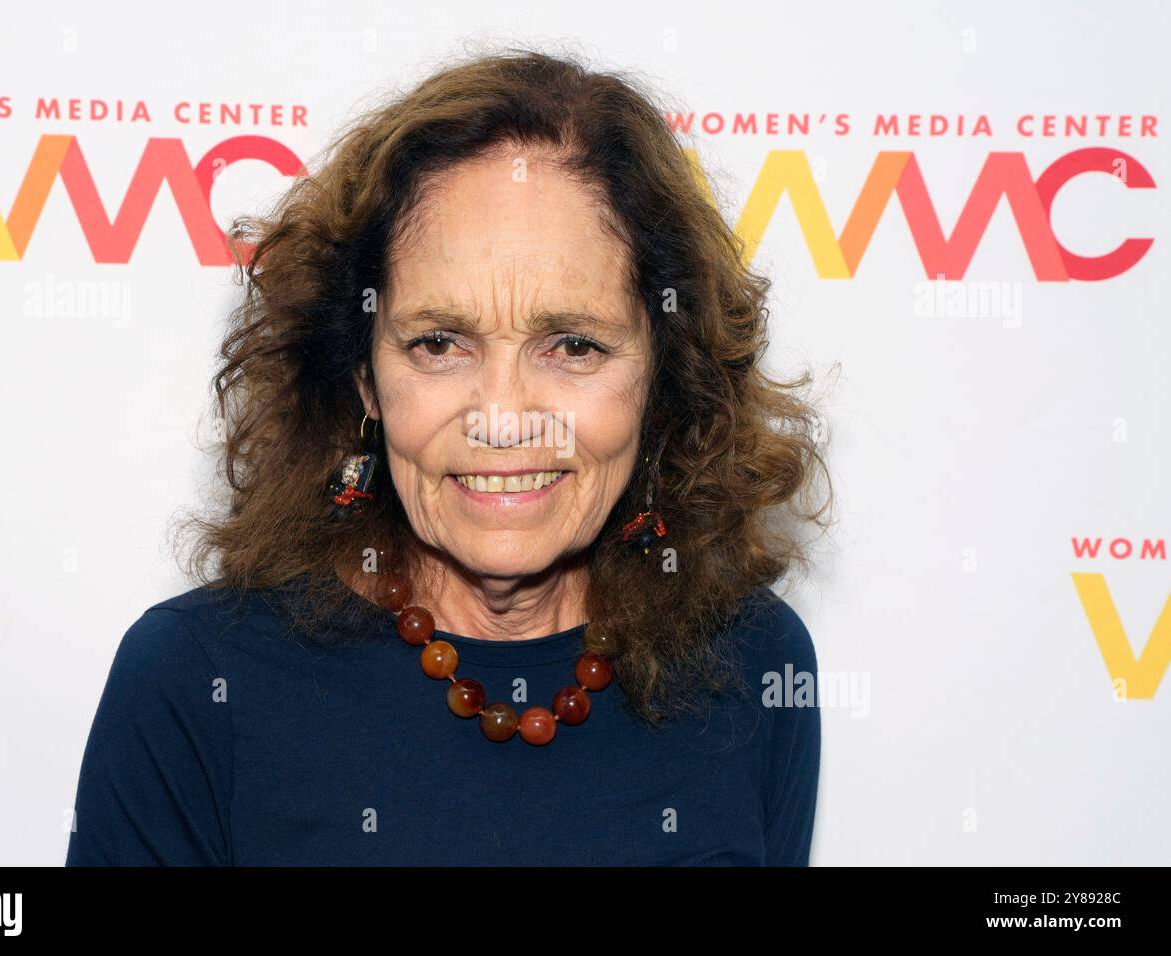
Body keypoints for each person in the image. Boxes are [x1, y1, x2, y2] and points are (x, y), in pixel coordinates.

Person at [65, 46, 832, 867]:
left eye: (573, 345)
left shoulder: (755, 664)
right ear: (364, 376)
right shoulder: (195, 681)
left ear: (662, 376)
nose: (503, 420)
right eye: (438, 344)